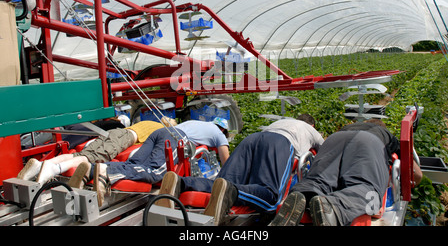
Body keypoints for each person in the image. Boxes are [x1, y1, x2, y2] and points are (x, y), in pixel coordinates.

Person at [156, 114, 324, 225]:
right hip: (279, 143)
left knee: (220, 183)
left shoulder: (282, 121)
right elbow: (326, 150)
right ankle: (231, 192)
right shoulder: (310, 129)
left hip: (253, 139)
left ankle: (182, 183)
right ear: (312, 125)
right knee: (271, 198)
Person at [270, 119, 423, 226]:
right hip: (369, 143)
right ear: (383, 127)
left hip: (334, 139)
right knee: (367, 188)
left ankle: (301, 196)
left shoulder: (347, 128)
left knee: (318, 179)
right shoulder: (385, 135)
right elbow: (415, 173)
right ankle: (334, 206)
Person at [72, 117, 231, 207]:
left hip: (159, 132)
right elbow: (227, 162)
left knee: (133, 165)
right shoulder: (219, 134)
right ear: (223, 129)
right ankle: (107, 172)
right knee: (155, 173)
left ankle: (91, 170)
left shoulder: (199, 123)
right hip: (176, 137)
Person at [17, 117, 176, 186]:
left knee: (78, 155)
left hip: (114, 133)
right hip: (124, 138)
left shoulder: (148, 122)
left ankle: (41, 165)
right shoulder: (161, 131)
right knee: (89, 158)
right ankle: (53, 170)